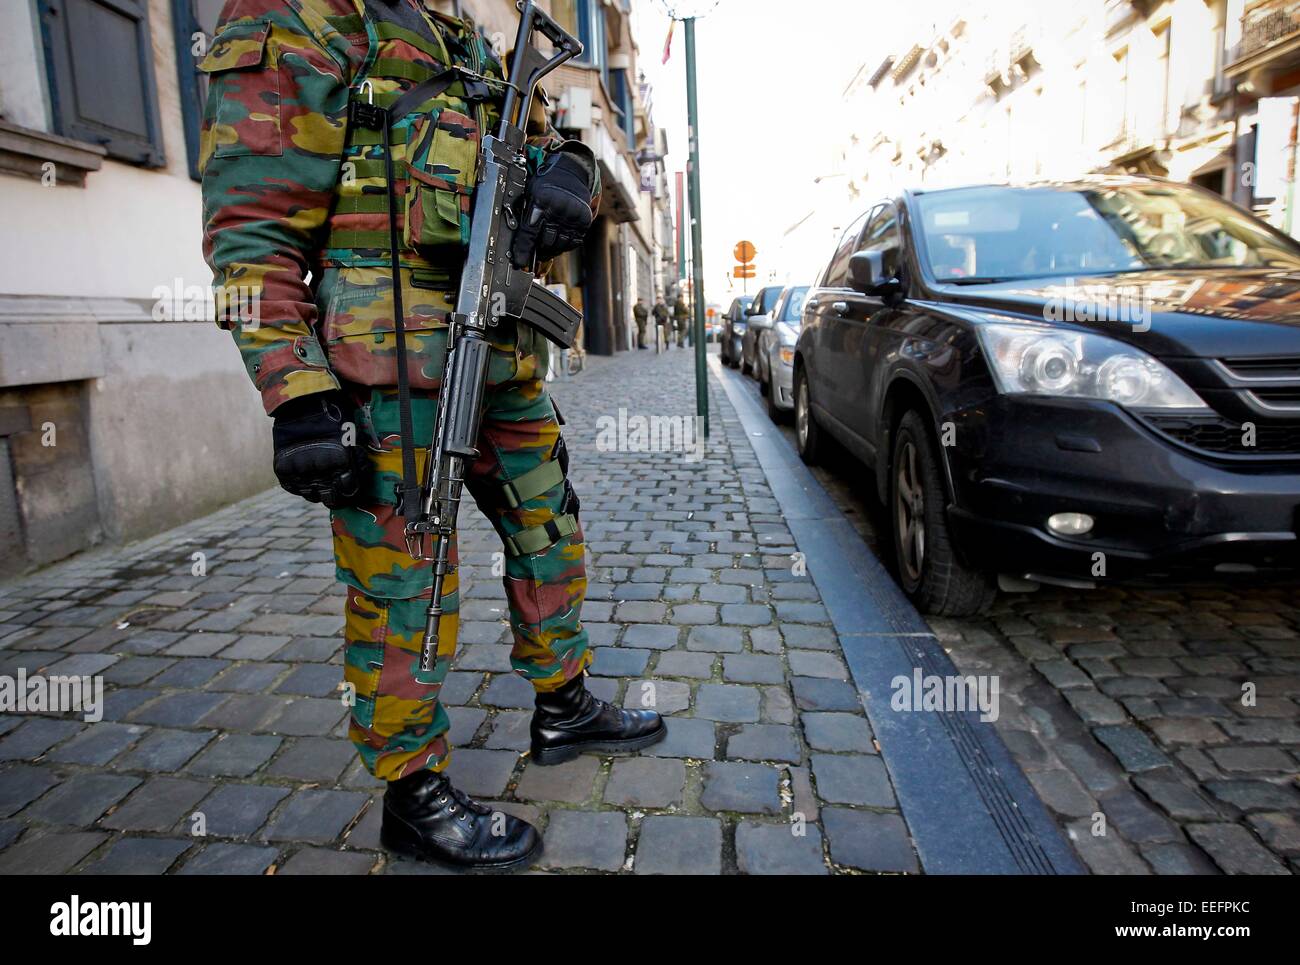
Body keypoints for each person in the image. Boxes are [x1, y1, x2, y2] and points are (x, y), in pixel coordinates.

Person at [200, 0, 664, 872]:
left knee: (549, 529)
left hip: (502, 356)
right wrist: (297, 393)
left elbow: (541, 156)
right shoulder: (299, 18)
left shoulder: (456, 37)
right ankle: (413, 795)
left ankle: (563, 702)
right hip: (393, 377)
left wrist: (571, 172)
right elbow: (251, 235)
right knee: (404, 584)